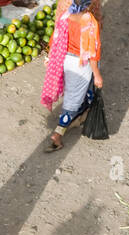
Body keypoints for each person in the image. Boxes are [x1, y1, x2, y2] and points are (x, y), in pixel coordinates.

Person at [43, 0, 103, 152]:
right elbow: (92, 54)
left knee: (77, 91)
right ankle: (58, 134)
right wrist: (97, 75)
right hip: (79, 64)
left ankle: (80, 115)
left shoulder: (66, 15)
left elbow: (54, 39)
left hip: (64, 59)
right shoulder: (89, 22)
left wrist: (50, 58)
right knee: (72, 100)